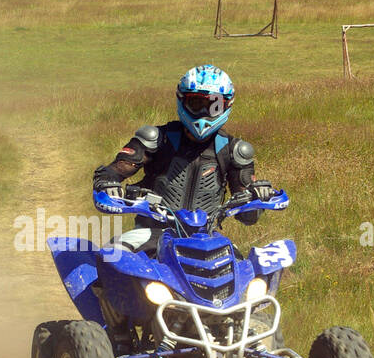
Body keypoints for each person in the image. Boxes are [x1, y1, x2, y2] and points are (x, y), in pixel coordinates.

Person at [92, 64, 275, 253]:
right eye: (196, 104)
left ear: (226, 106)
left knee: (245, 271)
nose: (204, 113)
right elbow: (116, 169)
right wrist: (107, 182)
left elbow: (248, 216)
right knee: (112, 255)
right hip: (152, 233)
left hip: (207, 239)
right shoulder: (157, 138)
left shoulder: (234, 150)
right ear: (182, 100)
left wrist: (258, 197)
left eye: (214, 106)